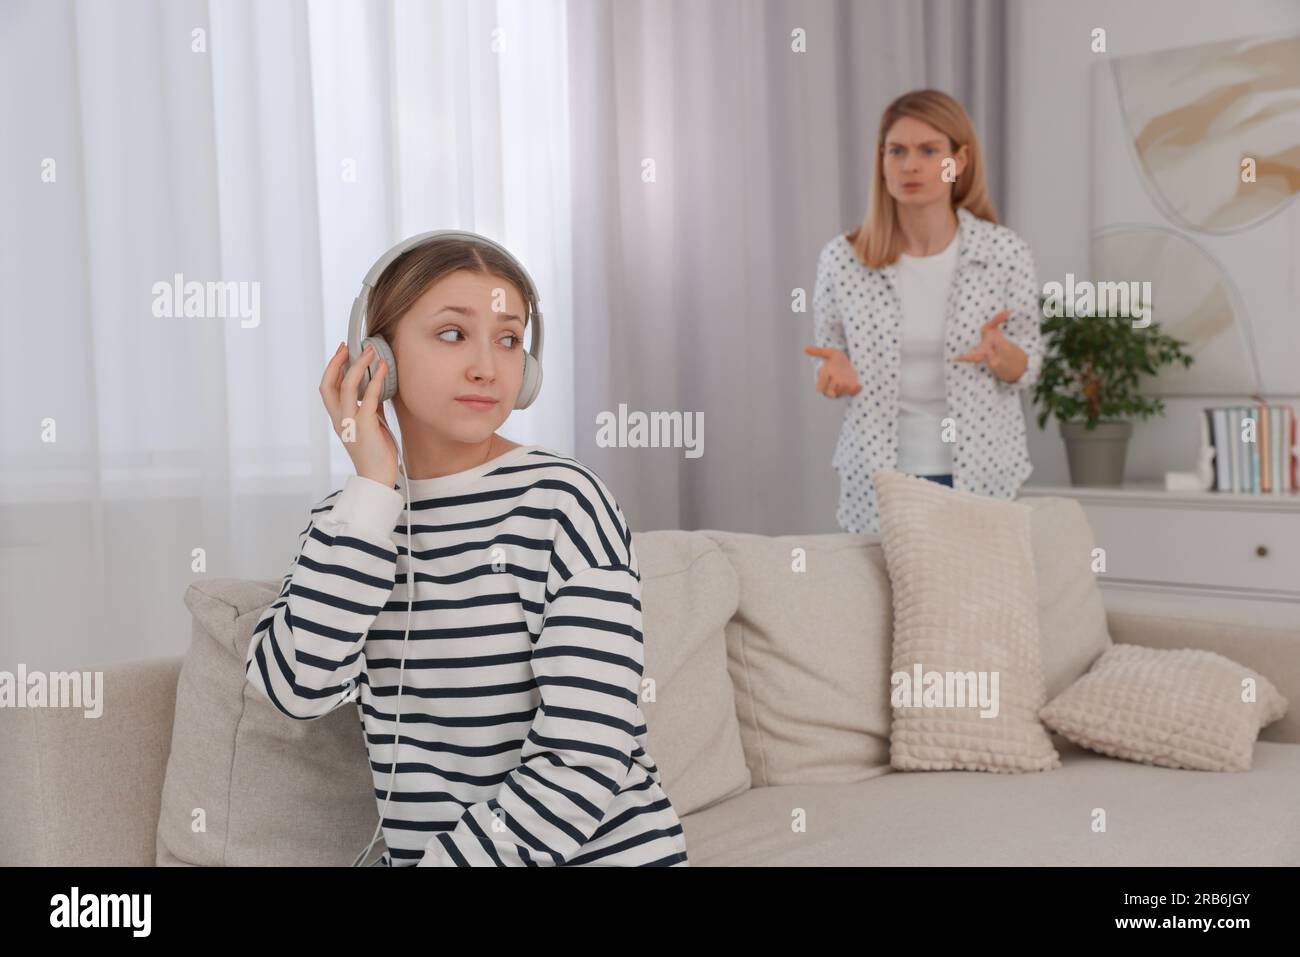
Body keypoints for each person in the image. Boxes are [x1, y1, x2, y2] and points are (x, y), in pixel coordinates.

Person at [245, 234, 689, 867]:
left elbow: (584, 756)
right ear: (378, 357)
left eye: (509, 340)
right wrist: (372, 485)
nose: (488, 366)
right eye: (453, 334)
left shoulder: (566, 502)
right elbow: (295, 687)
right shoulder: (352, 519)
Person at [804, 89, 1043, 535]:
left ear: (960, 159)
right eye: (897, 151)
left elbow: (1027, 366)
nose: (910, 165)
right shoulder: (843, 259)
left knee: (975, 600)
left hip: (981, 473)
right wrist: (836, 374)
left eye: (929, 151)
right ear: (882, 161)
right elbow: (829, 357)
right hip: (878, 476)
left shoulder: (1004, 252)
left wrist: (1004, 356)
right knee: (887, 604)